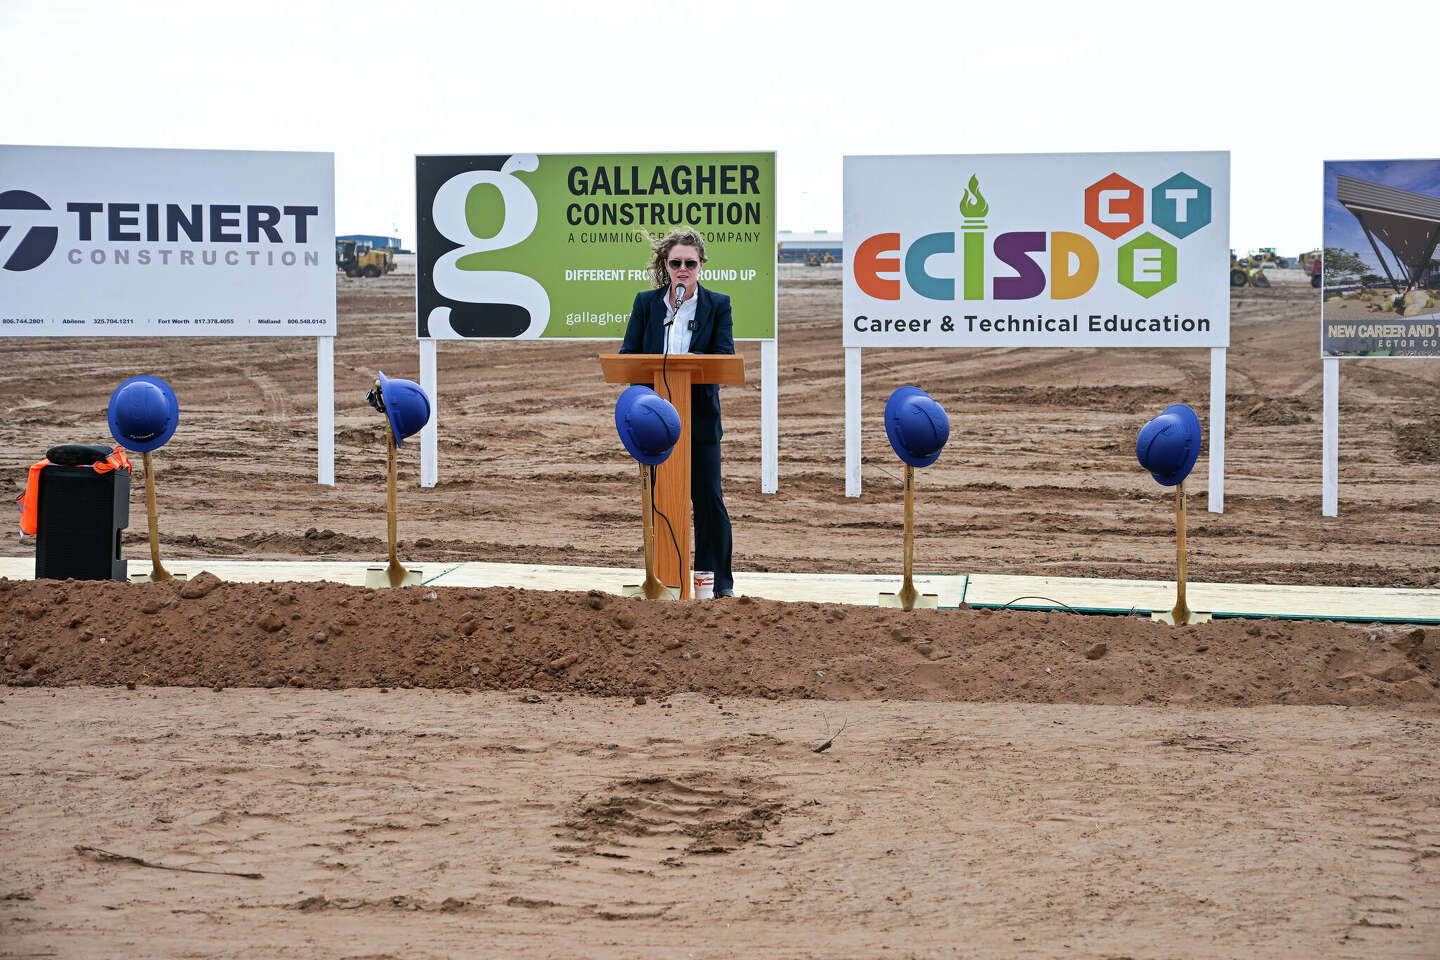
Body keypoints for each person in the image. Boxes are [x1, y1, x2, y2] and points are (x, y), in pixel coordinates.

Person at [619, 227, 735, 597]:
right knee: (660, 498)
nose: (682, 269)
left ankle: (713, 585)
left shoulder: (718, 305)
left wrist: (689, 365)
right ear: (665, 265)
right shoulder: (646, 304)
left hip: (699, 419)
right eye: (675, 263)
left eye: (689, 262)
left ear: (701, 265)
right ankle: (665, 580)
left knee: (708, 500)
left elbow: (724, 357)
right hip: (655, 423)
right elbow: (628, 359)